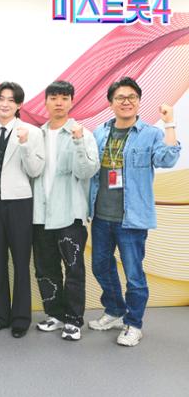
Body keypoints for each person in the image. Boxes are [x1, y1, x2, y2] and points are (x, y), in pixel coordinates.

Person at [88, 77, 181, 347]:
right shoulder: (100, 132)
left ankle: (134, 324)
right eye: (120, 97)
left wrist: (169, 123)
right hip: (101, 216)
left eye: (132, 97)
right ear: (111, 103)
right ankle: (115, 310)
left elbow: (168, 159)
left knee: (134, 276)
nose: (126, 102)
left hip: (132, 219)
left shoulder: (150, 133)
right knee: (100, 266)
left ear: (139, 101)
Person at [32, 81, 99, 341]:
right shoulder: (36, 134)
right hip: (40, 215)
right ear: (46, 102)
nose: (59, 102)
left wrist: (79, 141)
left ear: (71, 101)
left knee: (74, 270)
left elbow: (87, 171)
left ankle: (73, 320)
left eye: (64, 97)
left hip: (70, 213)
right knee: (45, 268)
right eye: (53, 97)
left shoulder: (82, 133)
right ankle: (55, 315)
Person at [0, 82, 44, 338]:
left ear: (19, 105)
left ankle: (20, 318)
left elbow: (35, 171)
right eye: (1, 99)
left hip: (19, 203)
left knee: (20, 261)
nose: (5, 104)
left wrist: (25, 144)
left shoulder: (32, 132)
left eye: (11, 99)